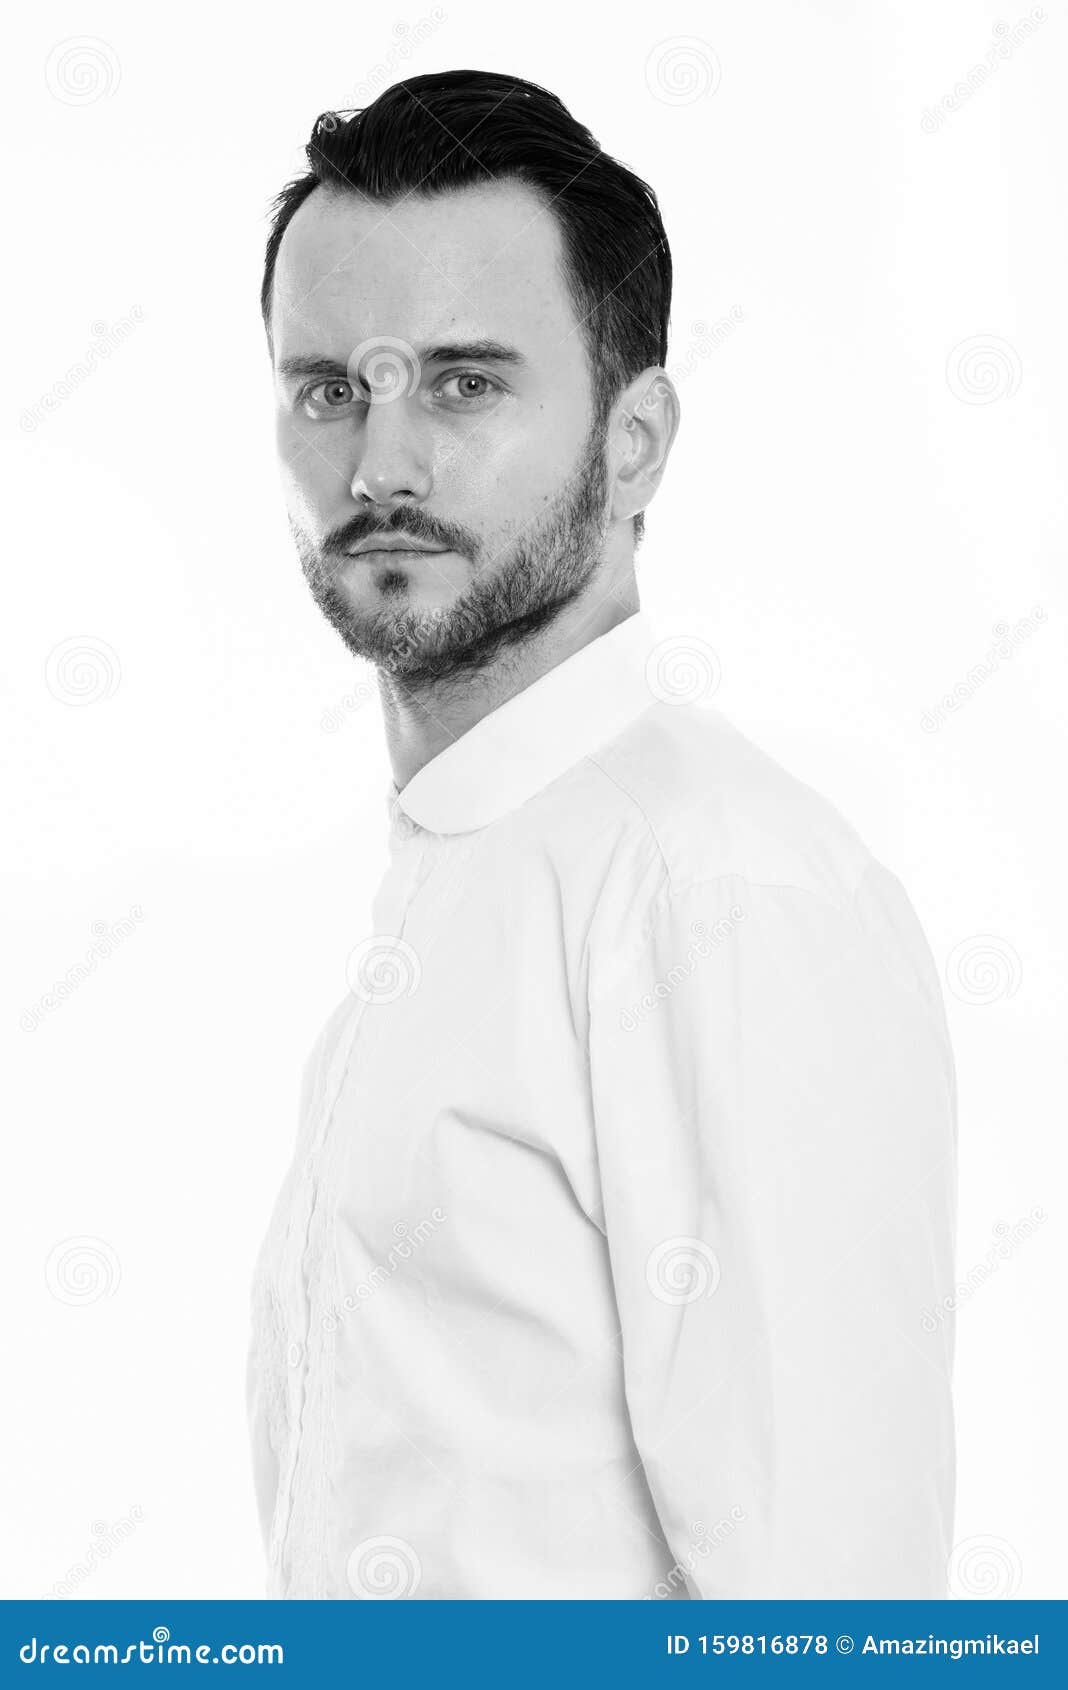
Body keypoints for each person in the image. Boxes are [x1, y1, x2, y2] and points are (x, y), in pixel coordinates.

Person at [247, 68, 957, 1600]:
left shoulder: (720, 894)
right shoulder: (456, 878)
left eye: (464, 382)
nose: (380, 468)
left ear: (635, 444)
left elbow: (833, 1612)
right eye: (330, 390)